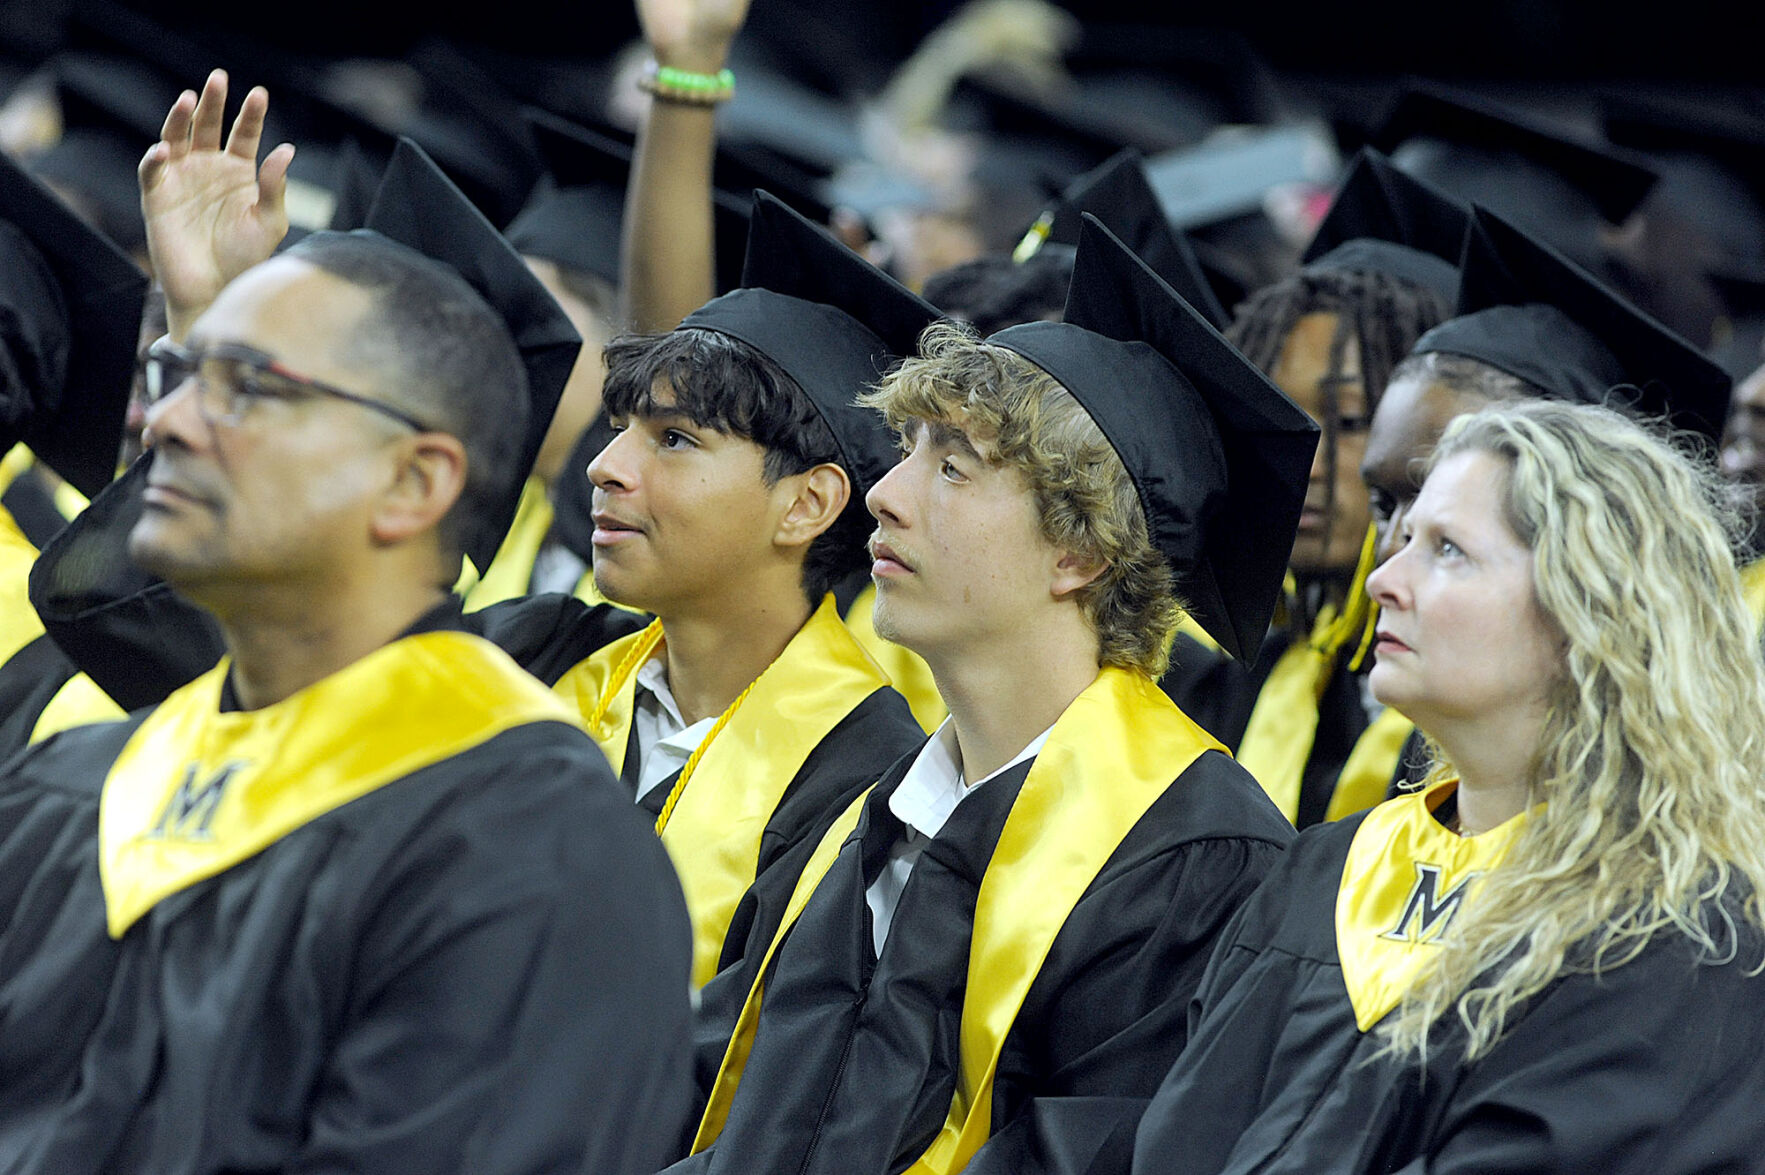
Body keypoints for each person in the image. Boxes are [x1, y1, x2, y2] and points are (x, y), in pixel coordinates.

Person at [0, 71, 695, 1174]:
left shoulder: (532, 857)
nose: (167, 417)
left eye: (246, 385)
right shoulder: (80, 786)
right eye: (180, 371)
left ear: (415, 483)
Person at [672, 215, 1311, 1175]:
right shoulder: (869, 816)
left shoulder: (1194, 859)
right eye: (905, 450)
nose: (883, 493)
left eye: (951, 466)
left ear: (1079, 550)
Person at [1133, 398, 1765, 1174]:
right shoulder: (1324, 872)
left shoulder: (1676, 943)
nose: (1382, 582)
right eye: (1401, 541)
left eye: (1447, 551)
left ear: (1586, 613)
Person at [546, 190, 931, 992]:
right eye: (622, 430)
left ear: (807, 504)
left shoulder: (869, 789)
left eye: (675, 440)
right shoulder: (532, 654)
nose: (605, 466)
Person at [1211, 149, 1463, 827]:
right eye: (1281, 419)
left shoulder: (1464, 714)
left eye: (1349, 421)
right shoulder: (1227, 681)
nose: (1309, 460)